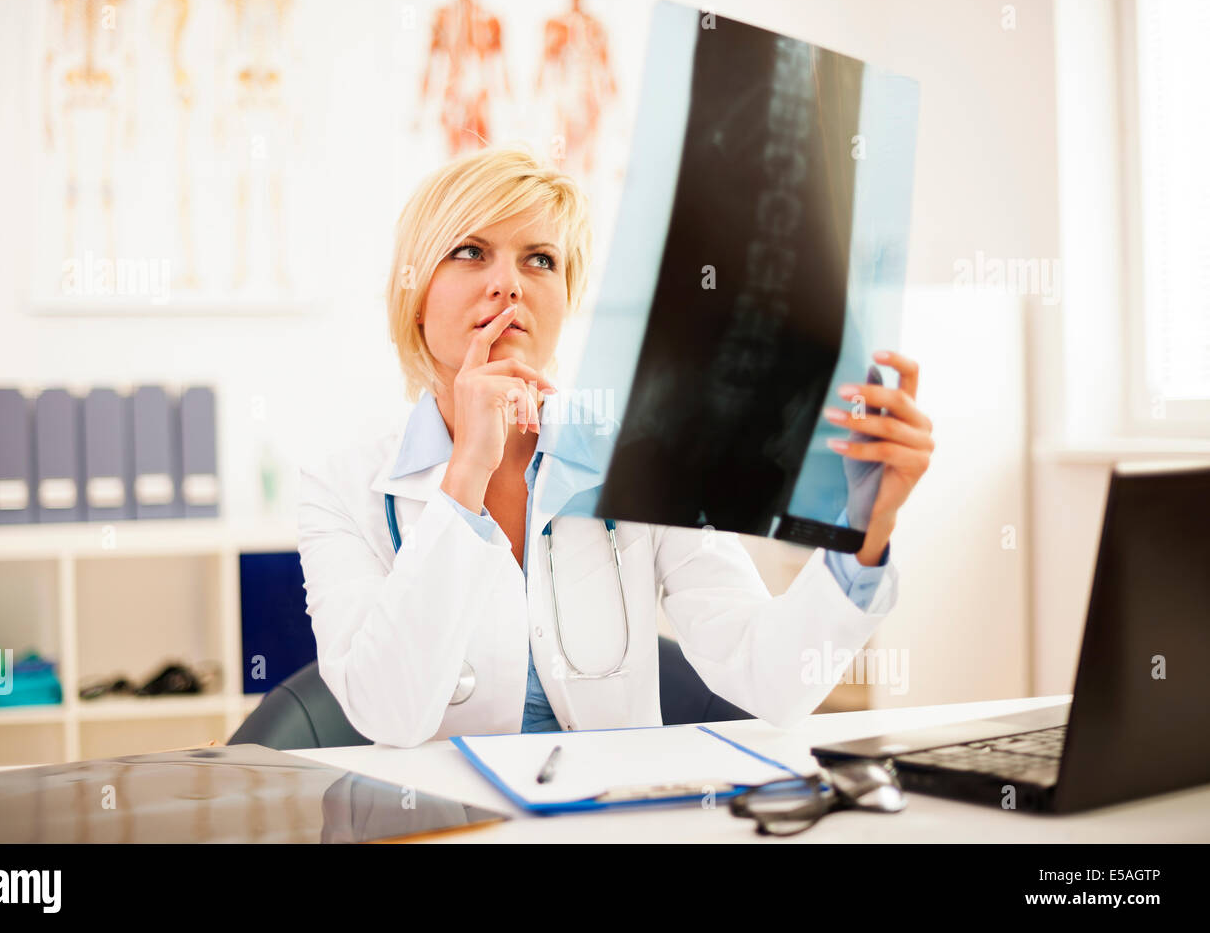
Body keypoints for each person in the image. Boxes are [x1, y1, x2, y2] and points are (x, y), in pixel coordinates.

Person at [298, 145, 934, 749]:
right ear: (414, 299)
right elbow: (387, 713)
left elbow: (770, 678)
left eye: (540, 259)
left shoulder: (649, 458)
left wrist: (864, 529)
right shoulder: (339, 487)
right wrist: (465, 475)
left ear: (566, 299)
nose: (509, 285)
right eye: (470, 251)